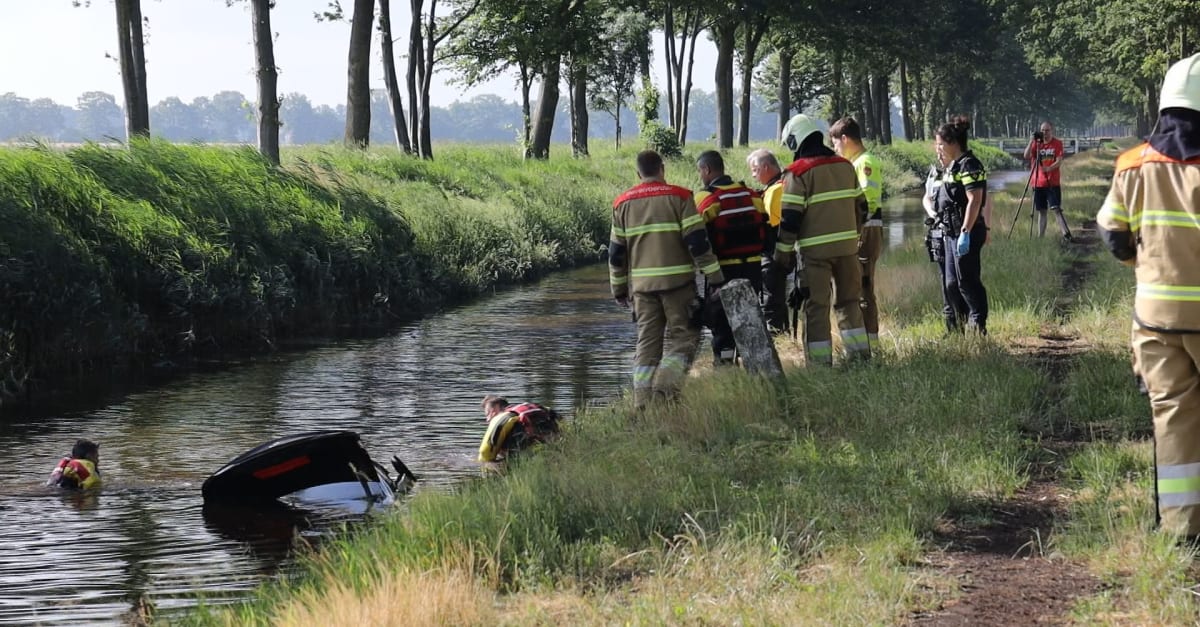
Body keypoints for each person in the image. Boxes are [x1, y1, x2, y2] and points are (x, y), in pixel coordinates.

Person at [1096, 52, 1200, 538]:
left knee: (1173, 417)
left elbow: (1113, 233)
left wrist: (1144, 267)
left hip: (1156, 319)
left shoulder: (1131, 165)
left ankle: (1181, 530)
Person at [610, 150, 725, 408]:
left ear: (638, 174)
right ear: (662, 169)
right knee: (685, 337)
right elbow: (697, 242)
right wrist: (715, 277)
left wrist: (618, 289)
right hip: (678, 286)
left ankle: (641, 401)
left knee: (647, 343)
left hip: (641, 290)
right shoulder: (681, 197)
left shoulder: (622, 203)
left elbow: (616, 254)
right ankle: (666, 389)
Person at [776, 114, 870, 365]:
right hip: (848, 250)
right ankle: (860, 359)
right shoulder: (845, 166)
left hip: (814, 255)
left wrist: (781, 256)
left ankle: (820, 367)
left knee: (816, 308)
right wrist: (852, 236)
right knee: (850, 303)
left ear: (796, 141)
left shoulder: (797, 174)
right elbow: (862, 208)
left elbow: (789, 221)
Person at [694, 150, 771, 365]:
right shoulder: (752, 194)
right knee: (749, 321)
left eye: (701, 171)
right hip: (753, 270)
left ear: (707, 170)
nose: (701, 175)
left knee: (722, 325)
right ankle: (756, 364)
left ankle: (725, 367)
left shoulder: (705, 198)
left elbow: (696, 236)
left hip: (722, 272)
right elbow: (766, 229)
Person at [932, 116, 990, 335]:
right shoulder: (950, 167)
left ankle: (978, 325)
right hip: (949, 232)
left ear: (952, 143)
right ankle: (958, 327)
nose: (937, 148)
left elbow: (975, 200)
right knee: (950, 284)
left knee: (967, 281)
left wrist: (965, 231)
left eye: (940, 143)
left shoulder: (969, 165)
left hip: (966, 231)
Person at [830, 117, 884, 349]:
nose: (835, 149)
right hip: (862, 229)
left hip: (865, 230)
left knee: (862, 288)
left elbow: (867, 200)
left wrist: (852, 225)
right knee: (858, 287)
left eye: (836, 144)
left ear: (845, 139)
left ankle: (869, 343)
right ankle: (866, 342)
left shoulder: (864, 163)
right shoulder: (858, 162)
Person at [746, 148, 791, 334]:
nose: (753, 175)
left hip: (773, 254)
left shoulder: (775, 191)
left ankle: (775, 337)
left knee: (771, 300)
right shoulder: (781, 185)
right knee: (777, 298)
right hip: (781, 252)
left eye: (755, 170)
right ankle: (783, 334)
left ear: (766, 166)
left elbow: (772, 227)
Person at [1023, 121, 1073, 241]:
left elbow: (1059, 160)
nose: (1045, 133)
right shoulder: (1036, 143)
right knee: (1042, 211)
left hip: (1052, 183)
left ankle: (1066, 234)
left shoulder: (1057, 143)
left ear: (1052, 130)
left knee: (1056, 209)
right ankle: (1041, 237)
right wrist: (1031, 141)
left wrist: (1049, 168)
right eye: (1043, 130)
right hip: (1037, 183)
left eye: (1047, 130)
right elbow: (1026, 155)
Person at [477, 395, 561, 462]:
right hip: (553, 448)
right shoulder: (539, 408)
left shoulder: (501, 418)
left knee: (487, 464)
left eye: (487, 414)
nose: (487, 420)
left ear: (494, 409)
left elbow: (485, 454)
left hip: (526, 454)